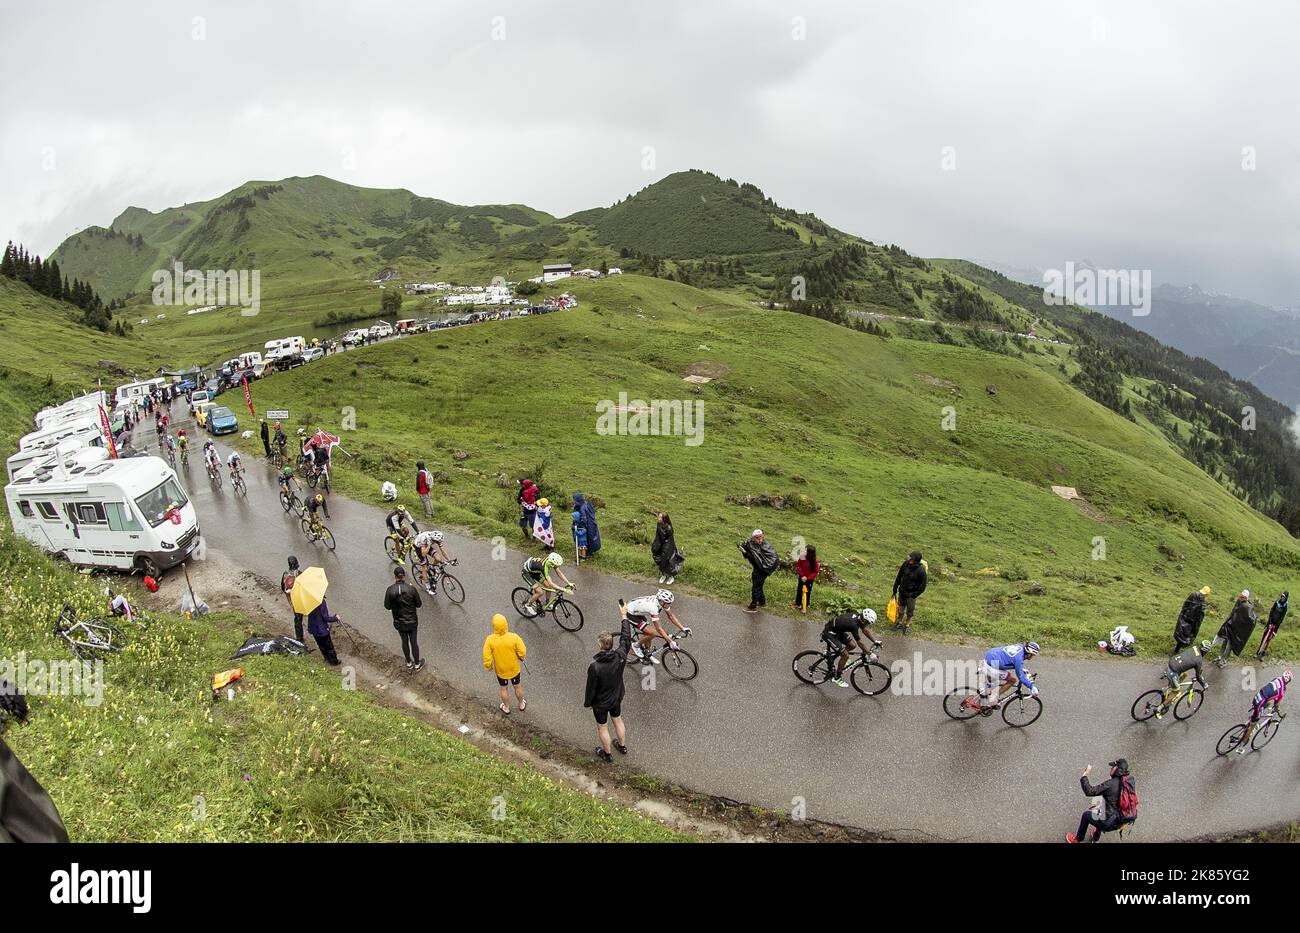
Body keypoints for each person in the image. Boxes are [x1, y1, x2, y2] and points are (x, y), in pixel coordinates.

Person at [584, 606, 634, 762]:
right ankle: (622, 745)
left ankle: (607, 754)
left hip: (601, 702)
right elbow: (626, 637)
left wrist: (588, 703)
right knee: (618, 719)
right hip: (616, 697)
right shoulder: (620, 655)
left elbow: (591, 688)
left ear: (600, 645)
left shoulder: (595, 666)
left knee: (603, 727)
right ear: (611, 644)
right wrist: (624, 615)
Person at [1066, 759, 1134, 843]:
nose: (1111, 769)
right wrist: (1099, 806)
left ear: (1117, 770)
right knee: (1099, 808)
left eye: (1113, 767)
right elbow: (1116, 801)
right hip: (1120, 821)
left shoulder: (1111, 784)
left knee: (1086, 815)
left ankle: (1077, 839)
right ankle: (1095, 838)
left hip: (1110, 822)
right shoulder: (1128, 782)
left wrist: (1084, 776)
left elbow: (1089, 791)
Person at [624, 589, 690, 663]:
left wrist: (683, 628)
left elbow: (671, 616)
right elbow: (658, 628)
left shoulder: (661, 602)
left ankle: (647, 653)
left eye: (670, 603)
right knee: (652, 633)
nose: (669, 605)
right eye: (668, 603)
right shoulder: (653, 608)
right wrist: (670, 641)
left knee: (649, 633)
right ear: (662, 602)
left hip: (637, 611)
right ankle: (635, 646)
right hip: (630, 613)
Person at [821, 608, 881, 687]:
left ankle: (835, 657)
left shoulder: (859, 617)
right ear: (864, 619)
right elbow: (860, 643)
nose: (867, 624)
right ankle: (837, 678)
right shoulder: (853, 625)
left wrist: (875, 641)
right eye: (867, 622)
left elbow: (865, 630)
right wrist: (870, 654)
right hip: (829, 633)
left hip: (837, 631)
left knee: (852, 645)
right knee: (845, 655)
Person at [483, 613, 527, 715]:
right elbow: (522, 651)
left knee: (504, 688)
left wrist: (489, 666)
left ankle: (506, 707)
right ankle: (521, 704)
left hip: (501, 670)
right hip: (514, 668)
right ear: (506, 624)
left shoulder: (490, 640)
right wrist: (521, 657)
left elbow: (486, 657)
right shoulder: (514, 637)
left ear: (494, 626)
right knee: (517, 686)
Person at [383, 566, 424, 672]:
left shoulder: (390, 590)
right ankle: (417, 663)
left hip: (399, 622)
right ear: (404, 575)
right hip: (412, 621)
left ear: (395, 576)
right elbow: (419, 604)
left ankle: (409, 663)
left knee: (404, 641)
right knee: (413, 641)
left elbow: (387, 606)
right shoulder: (411, 589)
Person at [1238, 671, 1291, 752]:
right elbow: (1277, 705)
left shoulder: (1277, 678)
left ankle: (1252, 718)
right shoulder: (1282, 691)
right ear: (1288, 681)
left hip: (1258, 695)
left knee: (1268, 703)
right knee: (1252, 726)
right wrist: (1278, 710)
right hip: (1259, 703)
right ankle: (1242, 745)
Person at [978, 641, 1040, 710]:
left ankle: (984, 692)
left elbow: (1010, 659)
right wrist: (1032, 687)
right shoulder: (1018, 659)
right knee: (1012, 680)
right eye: (1032, 655)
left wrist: (1021, 669)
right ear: (1029, 653)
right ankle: (991, 700)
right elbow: (1021, 677)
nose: (1032, 657)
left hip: (990, 656)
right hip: (992, 665)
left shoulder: (1020, 646)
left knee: (993, 680)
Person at [1211, 590, 1258, 666]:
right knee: (1224, 641)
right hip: (1230, 625)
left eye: (1243, 597)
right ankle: (1219, 657)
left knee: (1230, 645)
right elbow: (1233, 611)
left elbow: (1249, 620)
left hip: (1236, 630)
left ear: (1246, 598)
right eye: (1241, 596)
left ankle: (1224, 660)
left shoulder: (1247, 607)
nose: (1241, 598)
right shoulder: (1239, 601)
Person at [738, 529, 778, 613]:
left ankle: (753, 606)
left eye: (761, 538)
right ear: (753, 538)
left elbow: (754, 558)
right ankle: (762, 602)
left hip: (763, 570)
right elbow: (748, 548)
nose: (760, 540)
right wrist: (741, 547)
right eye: (757, 538)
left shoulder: (766, 545)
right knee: (758, 585)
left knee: (756, 587)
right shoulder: (752, 544)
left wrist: (744, 552)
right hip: (758, 568)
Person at [891, 550, 928, 635]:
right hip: (902, 591)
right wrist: (895, 587)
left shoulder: (921, 571)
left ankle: (907, 625)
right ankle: (899, 622)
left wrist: (913, 595)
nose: (909, 559)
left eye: (911, 558)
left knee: (910, 611)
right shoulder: (905, 564)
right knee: (900, 609)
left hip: (911, 595)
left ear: (916, 560)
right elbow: (899, 576)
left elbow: (922, 587)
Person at [411, 528, 452, 595]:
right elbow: (423, 553)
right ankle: (428, 588)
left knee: (438, 558)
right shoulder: (424, 538)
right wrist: (429, 545)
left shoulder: (437, 538)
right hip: (419, 547)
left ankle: (432, 567)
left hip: (427, 545)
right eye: (437, 542)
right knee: (424, 567)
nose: (438, 543)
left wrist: (449, 560)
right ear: (433, 540)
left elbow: (443, 551)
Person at [1173, 586, 1211, 652]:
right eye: (1202, 593)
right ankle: (1177, 647)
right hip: (1186, 617)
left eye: (1204, 594)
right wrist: (1183, 612)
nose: (1203, 595)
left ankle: (1179, 647)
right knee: (1181, 631)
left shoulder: (1203, 602)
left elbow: (1201, 614)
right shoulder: (1193, 595)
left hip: (1192, 621)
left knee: (1186, 634)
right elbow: (1186, 603)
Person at [306, 597, 341, 666]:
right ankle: (334, 662)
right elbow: (325, 617)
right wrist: (335, 618)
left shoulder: (308, 600)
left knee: (320, 645)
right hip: (321, 629)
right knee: (329, 646)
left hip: (313, 628)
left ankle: (326, 658)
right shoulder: (321, 601)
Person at [1257, 592, 1289, 659]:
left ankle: (1263, 653)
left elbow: (1281, 618)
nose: (1282, 598)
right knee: (1264, 637)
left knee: (1268, 639)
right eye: (1282, 596)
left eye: (1284, 597)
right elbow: (1272, 611)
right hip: (1270, 623)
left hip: (1275, 626)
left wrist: (1275, 627)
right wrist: (1270, 621)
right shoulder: (1277, 602)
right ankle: (1258, 651)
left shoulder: (1285, 606)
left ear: (1286, 598)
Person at [651, 512, 680, 585]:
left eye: (660, 517)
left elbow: (670, 540)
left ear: (664, 519)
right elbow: (657, 536)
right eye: (659, 517)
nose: (659, 518)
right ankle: (663, 575)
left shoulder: (669, 528)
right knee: (660, 560)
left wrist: (666, 549)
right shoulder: (658, 524)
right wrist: (656, 545)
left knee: (668, 562)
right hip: (659, 545)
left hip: (668, 547)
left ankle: (671, 577)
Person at [281, 555, 304, 642]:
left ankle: (299, 638)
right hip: (301, 599)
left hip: (293, 600)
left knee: (297, 619)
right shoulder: (299, 573)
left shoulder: (285, 574)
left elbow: (283, 587)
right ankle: (300, 639)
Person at [793, 545, 819, 614]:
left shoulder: (815, 562)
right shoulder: (802, 557)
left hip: (809, 580)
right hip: (801, 578)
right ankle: (798, 604)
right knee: (799, 590)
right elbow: (799, 566)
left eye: (805, 550)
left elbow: (815, 572)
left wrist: (808, 578)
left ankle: (804, 607)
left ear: (810, 553)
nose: (803, 551)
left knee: (807, 593)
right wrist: (802, 575)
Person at [573, 492, 601, 556]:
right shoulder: (584, 504)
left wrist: (579, 524)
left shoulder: (582, 508)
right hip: (590, 525)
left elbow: (584, 519)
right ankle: (586, 553)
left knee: (587, 539)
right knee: (588, 539)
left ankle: (586, 553)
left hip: (586, 526)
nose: (573, 501)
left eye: (574, 500)